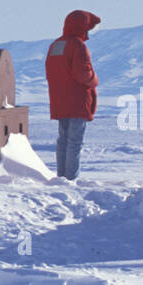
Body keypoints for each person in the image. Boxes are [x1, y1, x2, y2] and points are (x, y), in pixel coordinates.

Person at [45, 10, 101, 180]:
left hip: (60, 100)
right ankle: (71, 179)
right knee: (74, 142)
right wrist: (95, 80)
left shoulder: (56, 45)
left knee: (63, 141)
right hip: (77, 101)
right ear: (82, 27)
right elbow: (83, 74)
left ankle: (61, 177)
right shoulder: (78, 46)